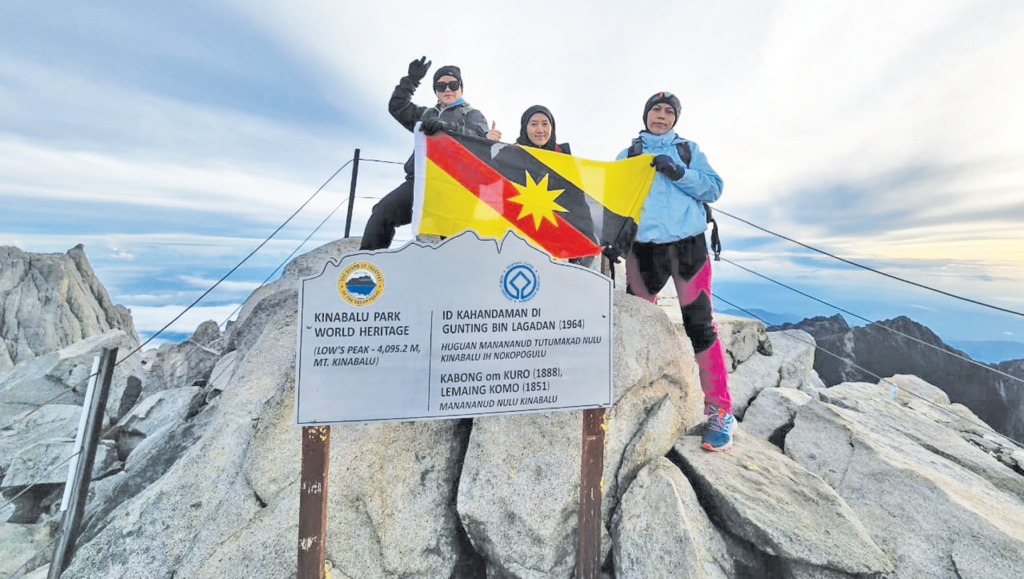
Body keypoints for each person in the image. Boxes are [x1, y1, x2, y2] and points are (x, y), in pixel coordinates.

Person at [617, 91, 733, 452]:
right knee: (636, 327)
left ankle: (719, 412)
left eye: (669, 111)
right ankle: (634, 401)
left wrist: (679, 171)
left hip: (688, 248)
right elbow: (613, 198)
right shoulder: (628, 155)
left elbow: (714, 188)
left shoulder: (688, 151)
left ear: (675, 119)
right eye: (656, 109)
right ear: (646, 115)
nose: (662, 115)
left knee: (700, 326)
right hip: (643, 250)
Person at [360, 57, 489, 250]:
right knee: (382, 213)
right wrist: (411, 80)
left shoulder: (472, 114)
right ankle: (367, 265)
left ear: (461, 88)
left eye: (453, 84)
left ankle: (459, 268)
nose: (447, 89)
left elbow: (479, 139)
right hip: (420, 182)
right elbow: (397, 106)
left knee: (454, 240)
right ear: (435, 91)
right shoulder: (425, 114)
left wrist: (447, 127)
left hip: (454, 186)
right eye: (441, 86)